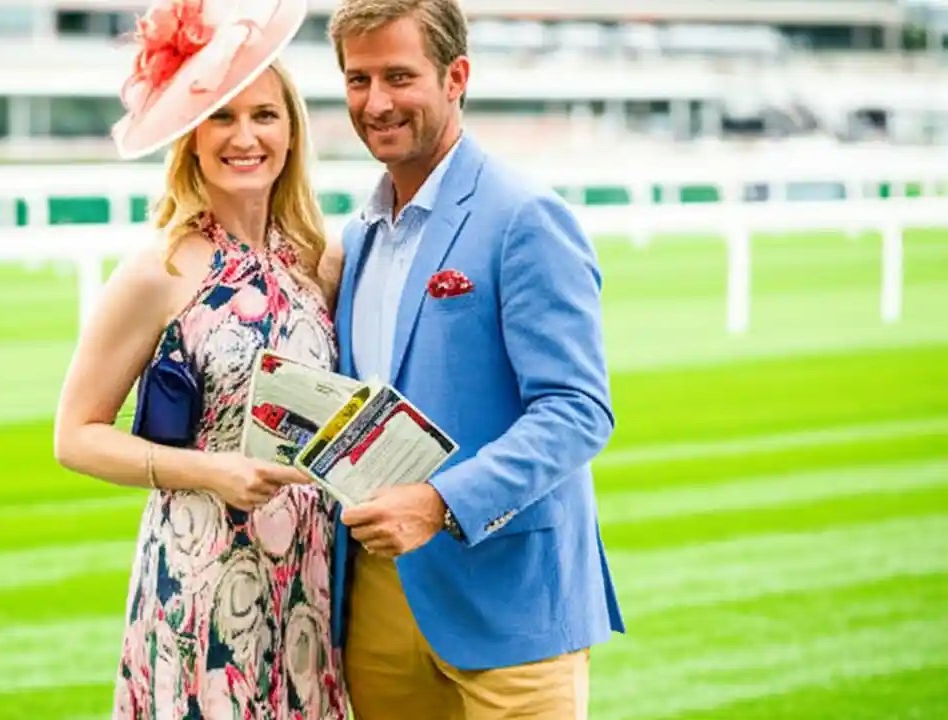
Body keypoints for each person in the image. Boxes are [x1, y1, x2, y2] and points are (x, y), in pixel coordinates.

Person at [324, 0, 625, 718]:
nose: (377, 102)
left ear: (456, 77)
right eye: (358, 80)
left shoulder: (525, 216)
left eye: (400, 76)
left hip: (512, 601)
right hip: (375, 600)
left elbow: (580, 411)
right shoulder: (358, 235)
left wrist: (438, 504)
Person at [53, 1, 348, 717]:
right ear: (191, 136)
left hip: (311, 579)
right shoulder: (159, 269)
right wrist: (212, 471)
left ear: (292, 131)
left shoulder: (322, 260)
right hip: (202, 574)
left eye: (264, 116)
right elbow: (75, 436)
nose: (245, 137)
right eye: (222, 116)